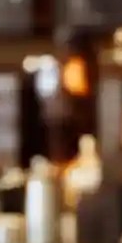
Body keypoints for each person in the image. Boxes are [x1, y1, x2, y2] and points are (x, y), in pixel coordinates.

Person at [40, 30, 96, 163]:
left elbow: (82, 91)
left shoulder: (77, 66)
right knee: (60, 150)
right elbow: (47, 94)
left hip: (77, 117)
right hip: (58, 118)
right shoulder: (50, 66)